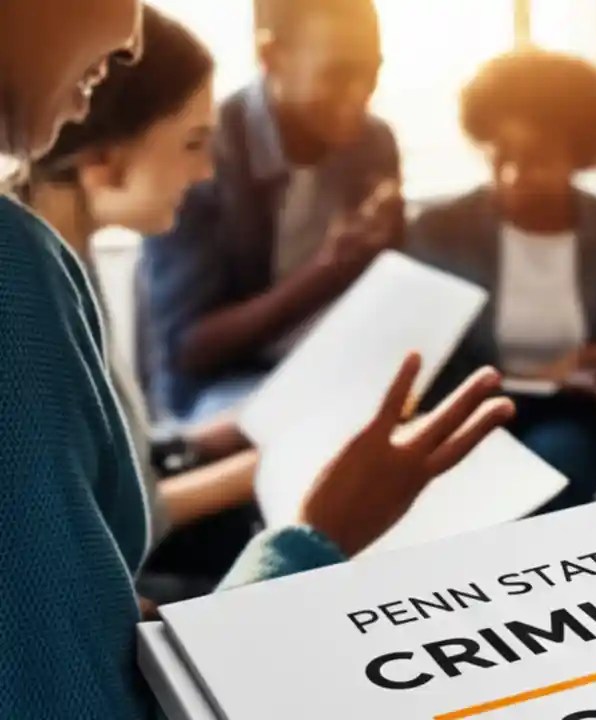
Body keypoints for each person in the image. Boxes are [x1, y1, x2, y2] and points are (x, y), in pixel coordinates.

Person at [0, 3, 512, 715]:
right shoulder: (18, 274)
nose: (134, 33)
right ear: (102, 159)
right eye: (191, 144)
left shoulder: (42, 270)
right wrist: (315, 535)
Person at [21, 7, 260, 584]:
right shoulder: (30, 299)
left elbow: (108, 453)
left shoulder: (73, 253)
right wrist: (271, 467)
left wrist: (206, 441)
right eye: (193, 143)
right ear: (101, 159)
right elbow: (124, 522)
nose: (206, 171)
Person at [408, 50, 596, 511]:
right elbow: (431, 371)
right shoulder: (438, 231)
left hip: (572, 416)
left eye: (536, 159)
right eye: (500, 157)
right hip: (467, 414)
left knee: (557, 474)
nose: (514, 176)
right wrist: (547, 374)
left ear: (578, 154)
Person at [138, 0, 402, 426]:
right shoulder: (203, 155)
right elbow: (188, 348)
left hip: (338, 370)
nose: (359, 94)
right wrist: (327, 271)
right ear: (271, 57)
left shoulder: (372, 142)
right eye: (336, 74)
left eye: (371, 71)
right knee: (327, 434)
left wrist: (389, 248)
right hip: (226, 385)